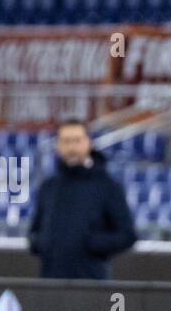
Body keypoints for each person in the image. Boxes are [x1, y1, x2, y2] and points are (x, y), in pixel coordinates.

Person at [26, 119, 137, 279]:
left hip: (91, 286)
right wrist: (43, 243)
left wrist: (89, 243)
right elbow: (35, 231)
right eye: (66, 141)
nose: (71, 147)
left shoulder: (107, 186)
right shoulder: (49, 187)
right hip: (50, 284)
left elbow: (127, 235)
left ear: (89, 143)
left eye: (77, 140)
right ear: (58, 146)